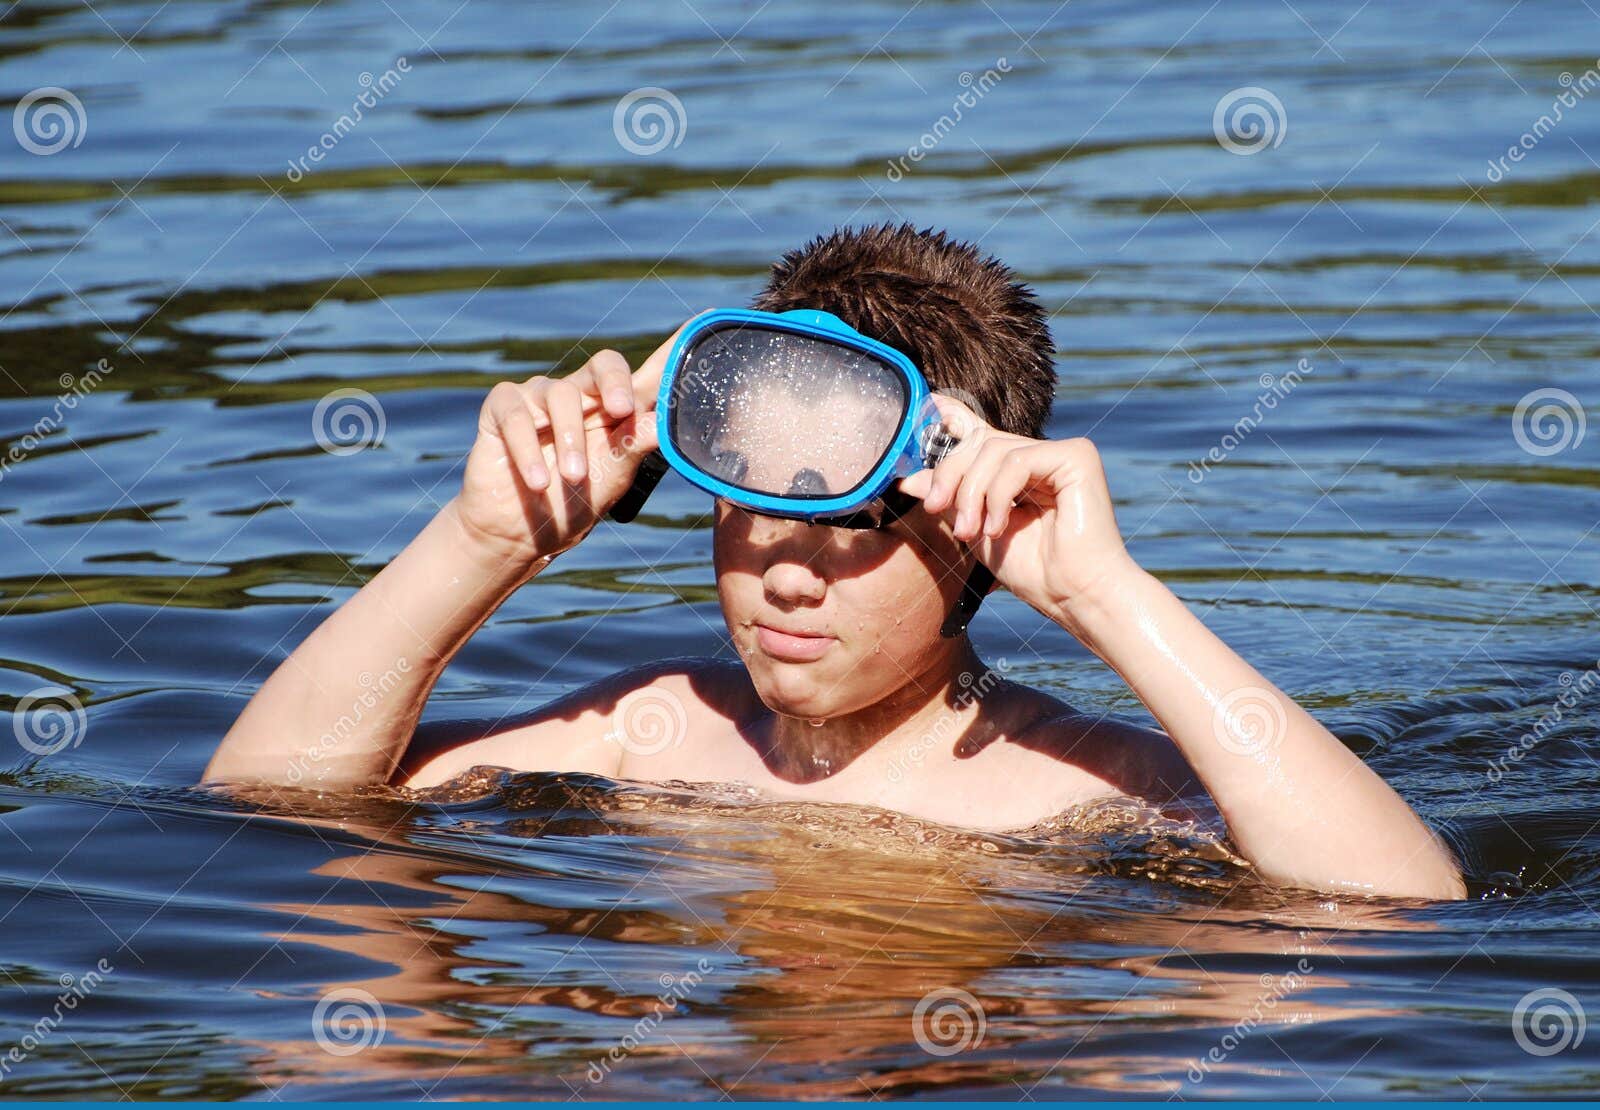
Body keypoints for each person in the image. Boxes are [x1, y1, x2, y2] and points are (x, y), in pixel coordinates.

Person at [203, 223, 1466, 901]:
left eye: (858, 525)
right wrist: (487, 539)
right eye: (750, 508)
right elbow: (266, 805)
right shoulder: (645, 731)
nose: (789, 575)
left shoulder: (1079, 787)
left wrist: (1104, 595)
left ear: (970, 532)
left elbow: (1398, 907)